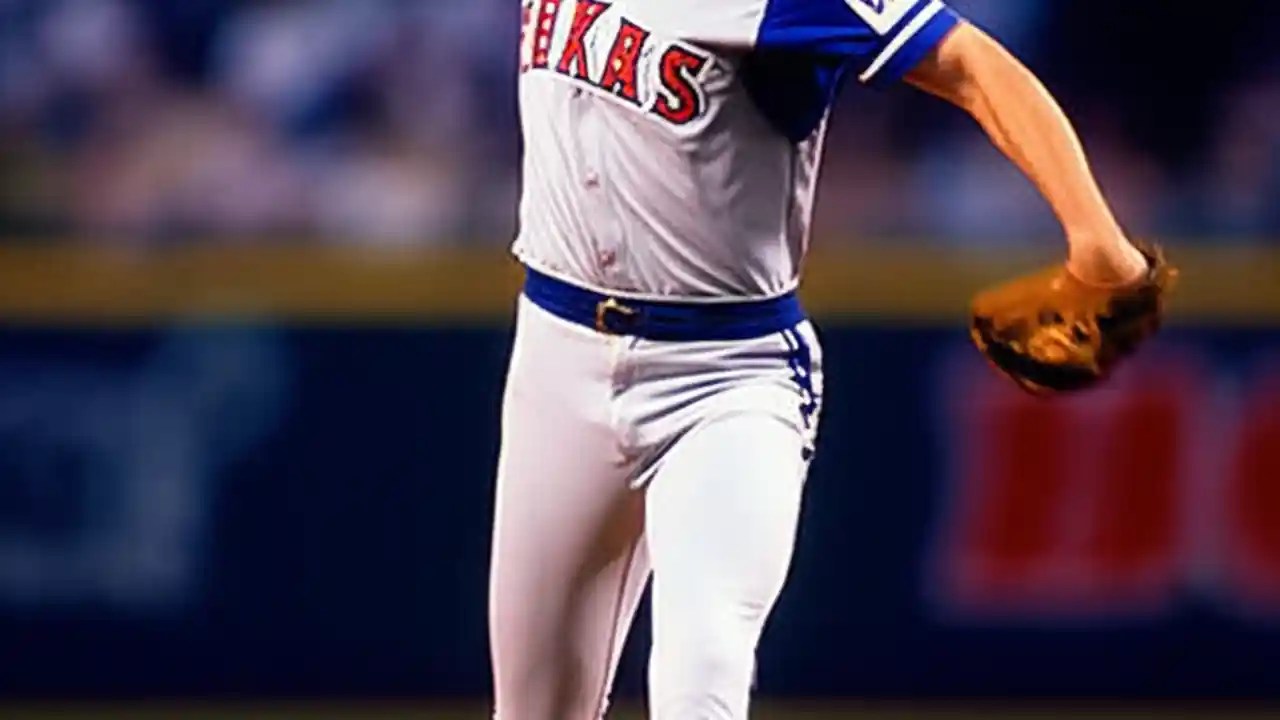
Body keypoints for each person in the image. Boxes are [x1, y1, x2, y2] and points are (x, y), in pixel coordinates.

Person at [489, 1, 1149, 718]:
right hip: (557, 355)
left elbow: (970, 63)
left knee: (701, 674)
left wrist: (1099, 240)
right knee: (534, 707)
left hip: (725, 379)